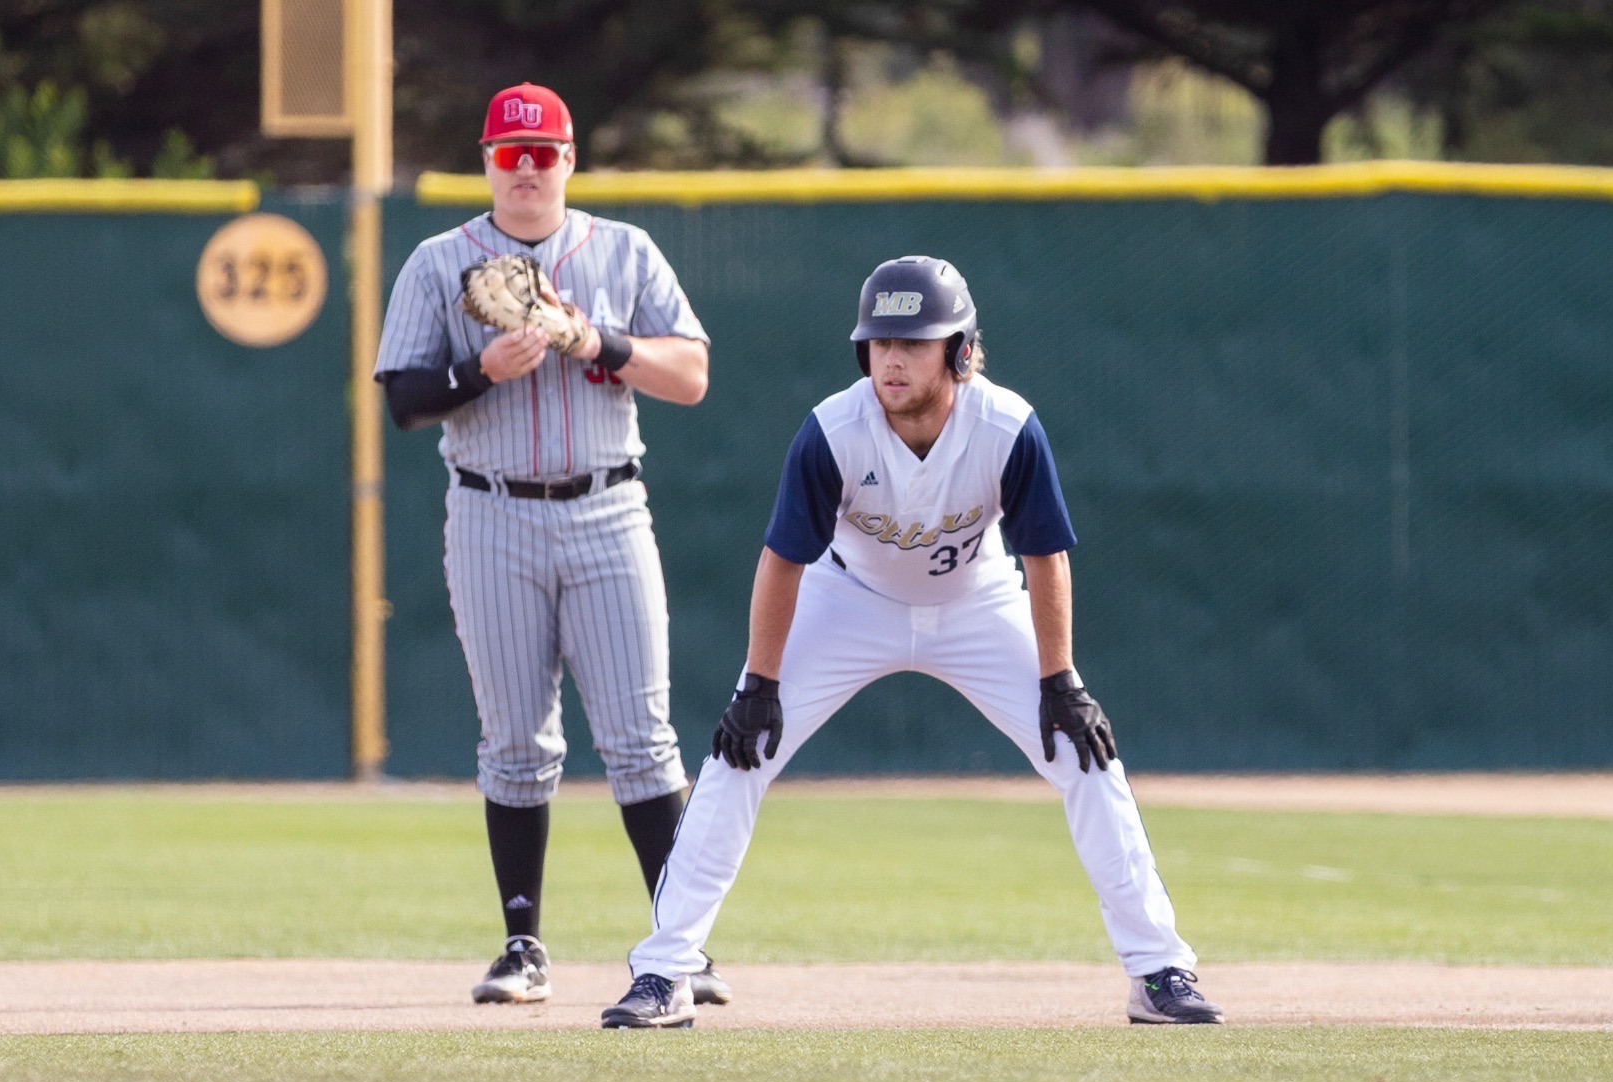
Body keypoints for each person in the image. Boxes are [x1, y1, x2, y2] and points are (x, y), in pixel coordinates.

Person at [598, 255, 1220, 1029]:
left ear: (959, 352)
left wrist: (1060, 680)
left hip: (976, 603)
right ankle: (665, 971)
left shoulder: (1007, 427)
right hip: (850, 600)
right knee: (738, 755)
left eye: (914, 343)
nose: (892, 358)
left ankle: (1158, 967)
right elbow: (783, 560)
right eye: (879, 342)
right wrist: (758, 685)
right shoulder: (832, 430)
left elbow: (1045, 557)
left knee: (1085, 752)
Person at [373, 82, 727, 1007]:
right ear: (486, 160)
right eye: (509, 154)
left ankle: (679, 946)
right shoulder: (437, 261)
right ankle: (522, 944)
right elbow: (404, 400)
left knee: (642, 740)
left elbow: (690, 374)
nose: (526, 170)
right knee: (515, 743)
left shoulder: (623, 251)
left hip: (608, 506)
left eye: (543, 154)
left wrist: (597, 338)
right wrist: (476, 369)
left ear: (569, 160)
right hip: (490, 510)